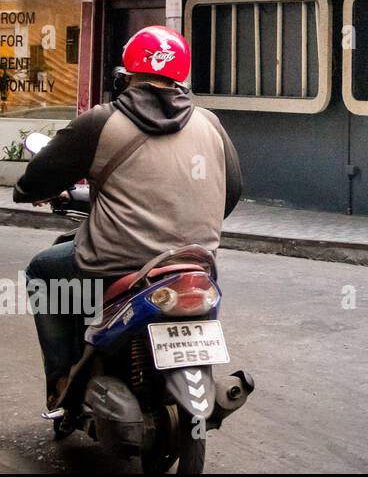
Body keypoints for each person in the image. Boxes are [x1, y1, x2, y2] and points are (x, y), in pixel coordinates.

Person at [16, 26, 242, 411]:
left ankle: (61, 377)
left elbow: (33, 183)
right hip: (194, 263)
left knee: (42, 270)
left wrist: (33, 191)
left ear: (126, 76)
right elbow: (232, 191)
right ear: (180, 77)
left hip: (115, 263)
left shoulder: (101, 121)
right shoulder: (211, 124)